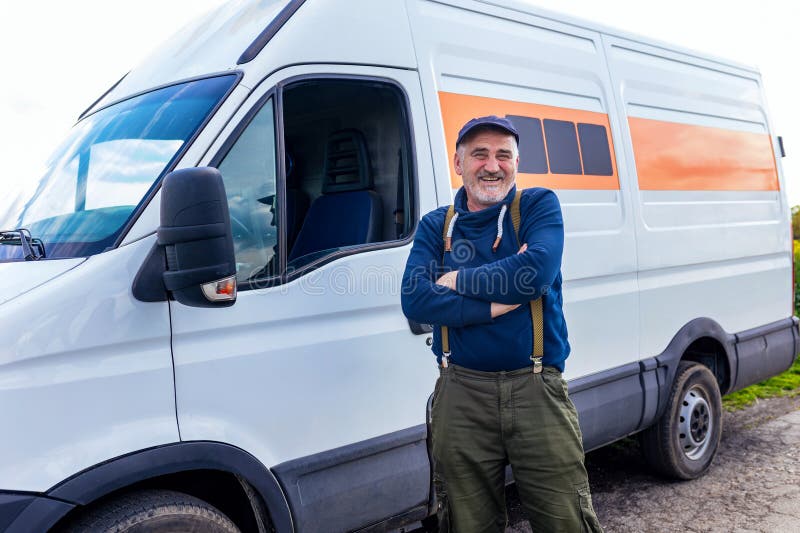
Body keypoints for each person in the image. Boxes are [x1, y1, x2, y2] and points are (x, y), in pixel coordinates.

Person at [401, 116, 603, 532]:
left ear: (515, 163)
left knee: (565, 519)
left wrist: (457, 280)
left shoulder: (536, 205)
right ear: (458, 163)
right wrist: (493, 305)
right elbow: (415, 299)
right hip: (460, 393)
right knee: (467, 523)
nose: (492, 166)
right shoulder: (435, 226)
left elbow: (535, 273)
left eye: (503, 155)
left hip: (536, 390)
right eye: (479, 154)